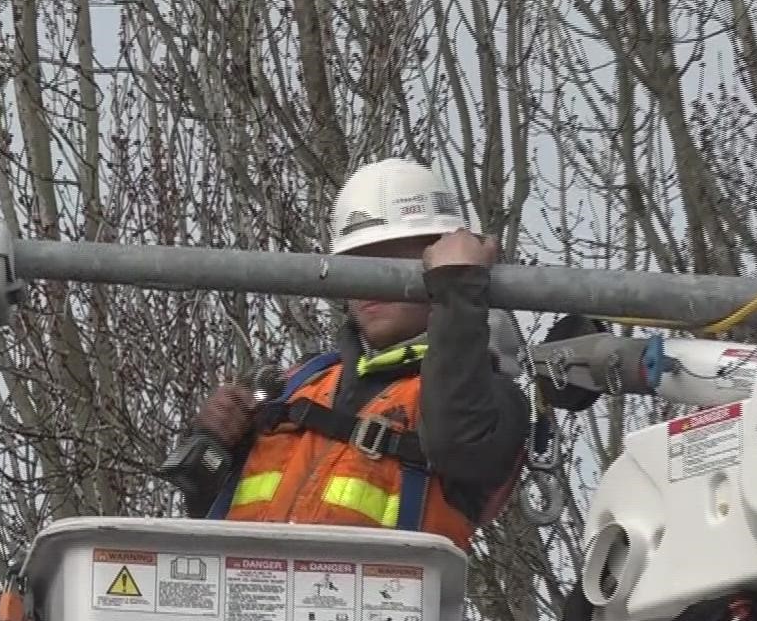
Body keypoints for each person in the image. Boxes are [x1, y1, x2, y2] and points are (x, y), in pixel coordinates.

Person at [169, 158, 529, 547]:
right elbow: (207, 515)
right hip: (246, 585)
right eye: (357, 264)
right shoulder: (298, 387)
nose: (369, 282)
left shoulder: (490, 401)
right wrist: (214, 442)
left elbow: (459, 447)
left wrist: (459, 291)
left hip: (389, 589)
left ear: (439, 261)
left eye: (390, 262)